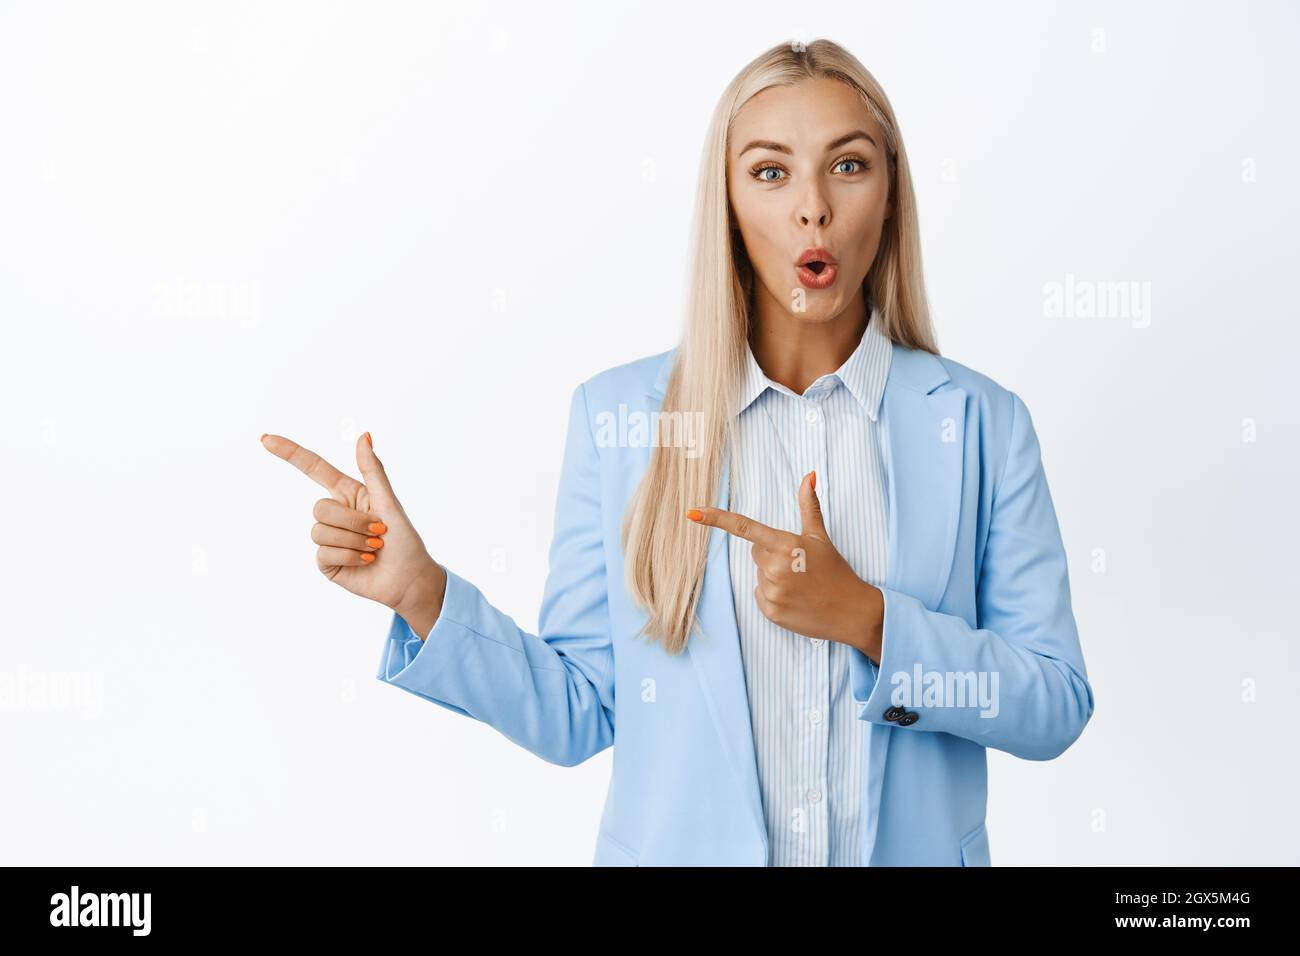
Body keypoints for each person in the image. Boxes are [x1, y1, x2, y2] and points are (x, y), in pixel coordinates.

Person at [262, 37, 1094, 866]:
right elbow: (580, 709)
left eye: (848, 166)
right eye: (771, 172)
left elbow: (1054, 703)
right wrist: (425, 596)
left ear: (890, 196)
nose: (814, 208)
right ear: (727, 205)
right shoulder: (619, 418)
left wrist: (870, 622)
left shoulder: (983, 424)